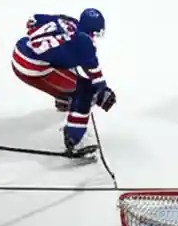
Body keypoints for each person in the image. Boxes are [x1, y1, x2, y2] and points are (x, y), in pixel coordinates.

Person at [11, 8, 116, 153]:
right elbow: (93, 73)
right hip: (31, 67)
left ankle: (64, 101)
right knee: (85, 90)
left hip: (19, 51)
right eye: (96, 33)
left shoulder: (68, 22)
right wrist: (102, 91)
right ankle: (75, 139)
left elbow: (33, 19)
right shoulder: (85, 42)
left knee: (67, 72)